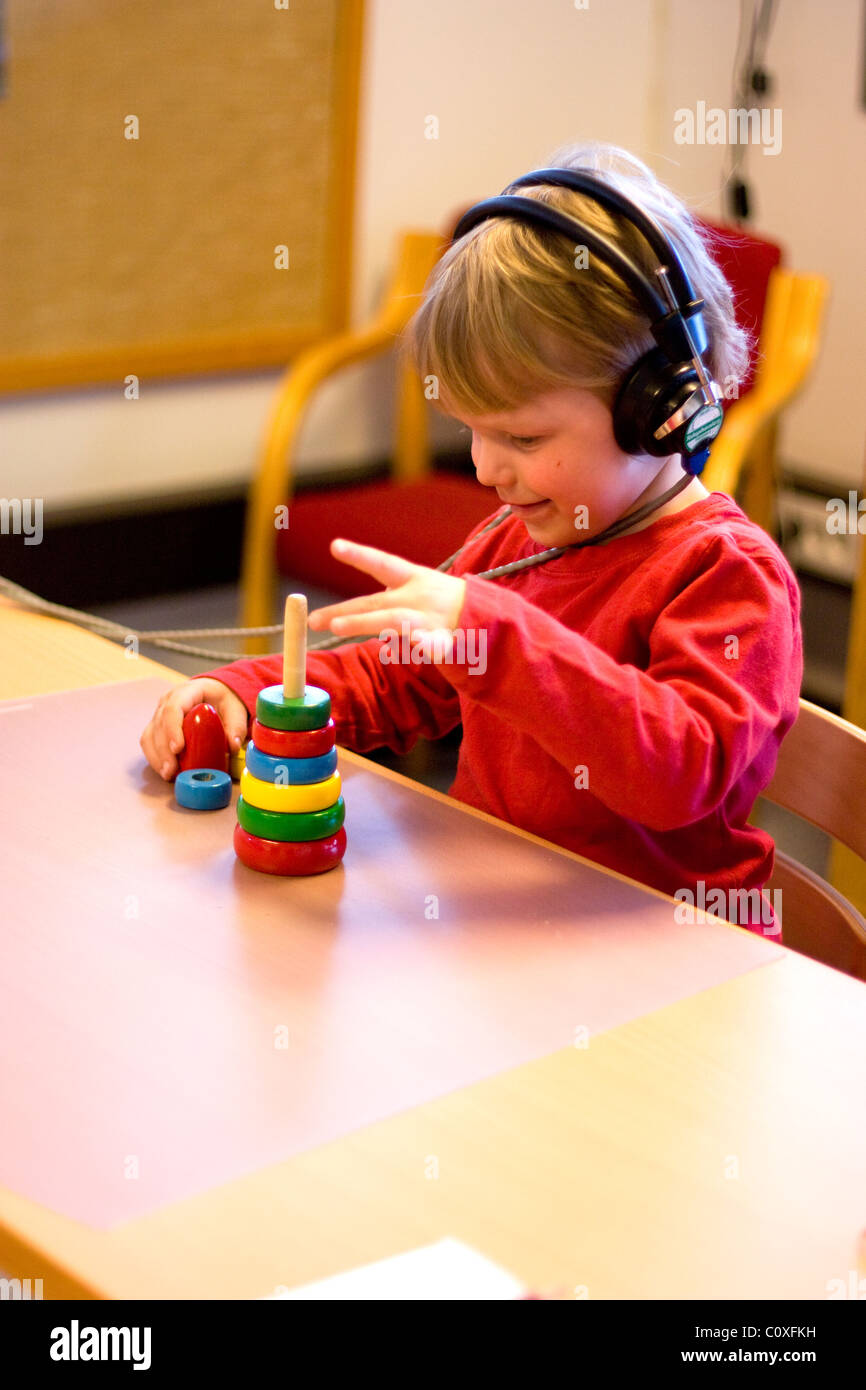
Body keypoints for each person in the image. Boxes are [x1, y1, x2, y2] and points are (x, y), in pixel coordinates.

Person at [140, 141, 803, 938]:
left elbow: (682, 773)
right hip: (506, 932)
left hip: (669, 960)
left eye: (522, 439)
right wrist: (256, 697)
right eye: (471, 433)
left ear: (655, 406)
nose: (487, 469)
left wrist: (495, 637)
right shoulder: (521, 540)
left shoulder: (727, 574)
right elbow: (396, 683)